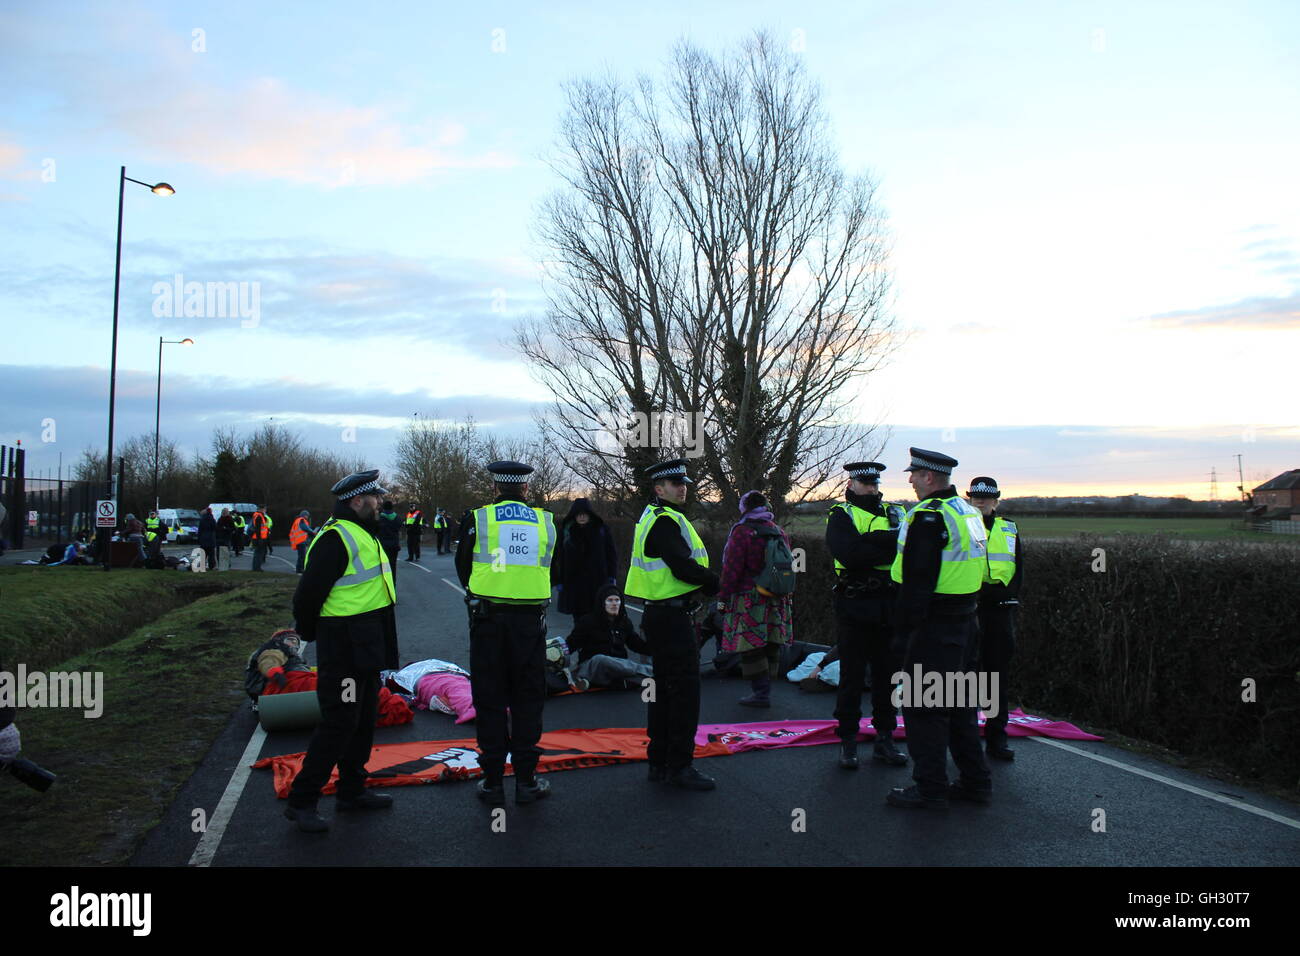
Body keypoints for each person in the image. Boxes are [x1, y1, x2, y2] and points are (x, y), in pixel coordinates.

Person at [285, 470, 399, 833]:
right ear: (357, 501)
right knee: (339, 723)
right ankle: (302, 801)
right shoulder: (336, 537)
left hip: (366, 641)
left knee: (364, 720)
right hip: (344, 645)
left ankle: (352, 791)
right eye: (375, 498)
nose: (380, 502)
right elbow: (307, 595)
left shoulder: (364, 532)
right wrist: (308, 633)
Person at [886, 448, 992, 809]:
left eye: (913, 475)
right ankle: (976, 782)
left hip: (934, 626)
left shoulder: (929, 516)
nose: (911, 481)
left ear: (929, 477)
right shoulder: (967, 511)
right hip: (966, 622)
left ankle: (930, 787)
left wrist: (901, 638)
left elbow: (918, 583)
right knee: (960, 704)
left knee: (924, 706)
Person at [455, 460, 558, 806]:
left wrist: (481, 592)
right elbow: (552, 565)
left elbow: (463, 565)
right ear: (526, 488)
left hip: (489, 622)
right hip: (530, 623)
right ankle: (527, 782)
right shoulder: (546, 521)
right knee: (528, 698)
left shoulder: (480, 517)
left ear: (496, 488)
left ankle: (493, 781)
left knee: (490, 697)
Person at [625, 458, 720, 791]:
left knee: (664, 691)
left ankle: (660, 761)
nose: (682, 488)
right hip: (672, 617)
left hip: (660, 614)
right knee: (684, 693)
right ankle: (680, 765)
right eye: (675, 484)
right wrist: (713, 583)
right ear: (658, 488)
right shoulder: (665, 520)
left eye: (684, 483)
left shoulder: (654, 517)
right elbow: (682, 566)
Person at [825, 461, 909, 769]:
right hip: (854, 603)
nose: (871, 487)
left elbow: (907, 548)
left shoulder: (896, 512)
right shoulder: (841, 514)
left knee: (888, 676)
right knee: (852, 675)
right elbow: (849, 555)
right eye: (865, 483)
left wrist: (871, 543)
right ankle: (847, 740)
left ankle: (884, 738)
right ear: (851, 485)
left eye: (874, 483)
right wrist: (887, 544)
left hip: (889, 603)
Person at [717, 491, 793, 708]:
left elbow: (732, 568)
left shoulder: (742, 531)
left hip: (749, 597)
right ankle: (766, 687)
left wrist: (723, 596)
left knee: (751, 644)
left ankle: (760, 693)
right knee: (771, 642)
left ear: (744, 508)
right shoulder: (777, 530)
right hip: (775, 596)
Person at [967, 476, 1021, 762]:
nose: (981, 500)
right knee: (964, 677)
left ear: (996, 500)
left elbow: (1018, 567)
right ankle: (964, 740)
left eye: (986, 497)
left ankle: (997, 738)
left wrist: (1012, 599)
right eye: (976, 496)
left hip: (999, 611)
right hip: (968, 609)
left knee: (996, 677)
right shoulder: (962, 526)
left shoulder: (1009, 527)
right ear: (969, 498)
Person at [566, 584, 655, 688]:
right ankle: (650, 672)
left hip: (618, 665)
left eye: (617, 600)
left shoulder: (624, 622)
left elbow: (636, 644)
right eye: (610, 600)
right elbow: (571, 644)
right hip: (592, 665)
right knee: (600, 659)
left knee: (622, 665)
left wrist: (658, 651)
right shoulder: (587, 621)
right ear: (602, 603)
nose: (614, 604)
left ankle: (632, 679)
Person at [555, 498, 619, 628]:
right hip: (574, 583)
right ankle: (582, 646)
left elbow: (611, 554)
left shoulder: (601, 530)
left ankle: (596, 646)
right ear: (574, 515)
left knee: (598, 617)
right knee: (579, 620)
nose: (582, 516)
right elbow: (559, 556)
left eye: (585, 513)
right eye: (579, 514)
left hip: (597, 581)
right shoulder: (567, 531)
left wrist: (612, 576)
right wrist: (558, 579)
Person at [377, 500, 402, 583]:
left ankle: (385, 587)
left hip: (383, 546)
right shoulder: (397, 518)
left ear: (383, 508)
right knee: (393, 567)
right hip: (394, 546)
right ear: (392, 507)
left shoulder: (380, 518)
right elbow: (399, 527)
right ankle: (393, 587)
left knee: (383, 569)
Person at [289, 510, 316, 574]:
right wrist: (313, 532)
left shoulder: (297, 520)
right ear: (304, 515)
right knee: (302, 556)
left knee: (301, 556)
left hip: (298, 541)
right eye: (307, 515)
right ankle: (300, 569)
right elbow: (305, 528)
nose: (307, 517)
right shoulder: (301, 520)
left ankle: (299, 569)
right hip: (301, 541)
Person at [250, 506, 270, 572]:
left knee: (258, 553)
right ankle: (256, 568)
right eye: (264, 509)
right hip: (259, 538)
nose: (265, 510)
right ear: (261, 509)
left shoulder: (260, 516)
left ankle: (256, 567)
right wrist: (260, 539)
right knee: (258, 553)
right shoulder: (259, 516)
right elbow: (258, 529)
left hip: (259, 537)